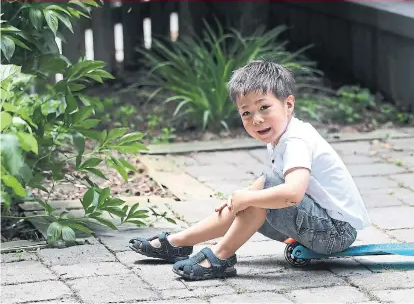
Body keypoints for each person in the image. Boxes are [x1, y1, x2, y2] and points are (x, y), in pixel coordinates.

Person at [128, 60, 371, 281]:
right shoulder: (280, 137)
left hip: (334, 233)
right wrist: (243, 196)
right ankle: (179, 242)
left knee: (260, 192)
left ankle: (220, 256)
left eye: (264, 107)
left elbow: (293, 193)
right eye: (246, 112)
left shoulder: (297, 140)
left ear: (288, 104)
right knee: (253, 194)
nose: (256, 119)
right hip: (320, 225)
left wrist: (249, 196)